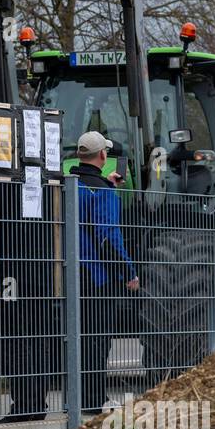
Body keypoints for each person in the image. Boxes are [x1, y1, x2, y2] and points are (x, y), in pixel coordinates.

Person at [72, 131, 139, 413]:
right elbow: (107, 238)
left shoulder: (68, 186)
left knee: (75, 337)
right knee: (97, 340)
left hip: (69, 271)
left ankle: (75, 399)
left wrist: (107, 183)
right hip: (97, 276)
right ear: (102, 155)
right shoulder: (103, 193)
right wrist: (129, 273)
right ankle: (92, 400)